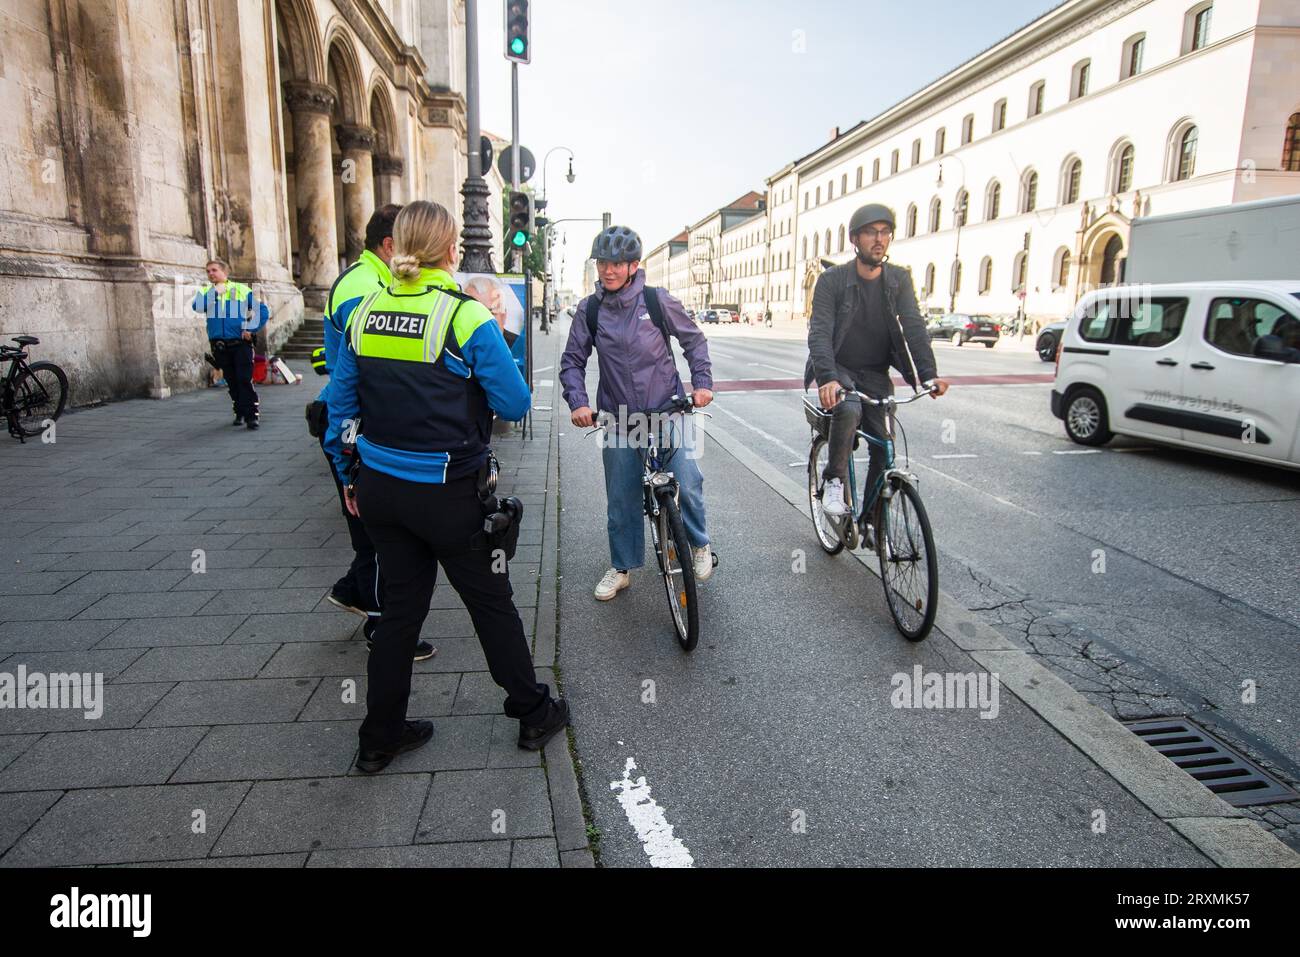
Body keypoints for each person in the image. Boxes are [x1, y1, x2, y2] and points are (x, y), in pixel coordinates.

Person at [325, 200, 568, 773]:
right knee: (490, 602)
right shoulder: (464, 317)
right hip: (447, 493)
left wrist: (346, 478)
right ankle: (532, 711)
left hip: (380, 489)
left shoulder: (365, 312)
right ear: (450, 248)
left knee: (399, 614)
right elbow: (513, 402)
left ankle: (380, 737)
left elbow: (339, 406)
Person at [560, 226, 715, 601]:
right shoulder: (590, 309)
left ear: (633, 265)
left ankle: (698, 544)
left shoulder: (656, 300)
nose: (608, 270)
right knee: (622, 495)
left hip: (667, 409)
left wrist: (702, 383)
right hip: (618, 417)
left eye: (616, 263)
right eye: (602, 263)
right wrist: (578, 402)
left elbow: (693, 340)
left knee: (688, 478)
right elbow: (572, 362)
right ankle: (622, 567)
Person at [315, 205, 435, 660]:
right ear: (390, 245)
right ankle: (383, 631)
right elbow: (364, 364)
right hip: (356, 426)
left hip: (369, 423)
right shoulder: (361, 287)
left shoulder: (374, 282)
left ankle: (353, 591)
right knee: (377, 539)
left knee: (373, 532)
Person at [806, 204, 949, 541]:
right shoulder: (833, 280)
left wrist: (929, 374)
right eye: (871, 232)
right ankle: (834, 481)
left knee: (884, 445)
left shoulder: (898, 279)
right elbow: (820, 332)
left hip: (876, 371)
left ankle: (870, 520)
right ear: (855, 239)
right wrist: (827, 377)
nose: (879, 239)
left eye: (885, 232)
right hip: (840, 367)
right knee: (849, 407)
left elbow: (913, 325)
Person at [193, 259, 268, 429]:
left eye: (214, 270)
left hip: (240, 343)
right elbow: (197, 307)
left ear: (224, 272)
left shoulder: (240, 290)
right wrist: (215, 293)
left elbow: (262, 311)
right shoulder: (205, 291)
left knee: (243, 379)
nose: (211, 273)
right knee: (232, 380)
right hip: (219, 344)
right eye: (208, 271)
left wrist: (251, 328)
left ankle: (251, 416)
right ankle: (239, 410)